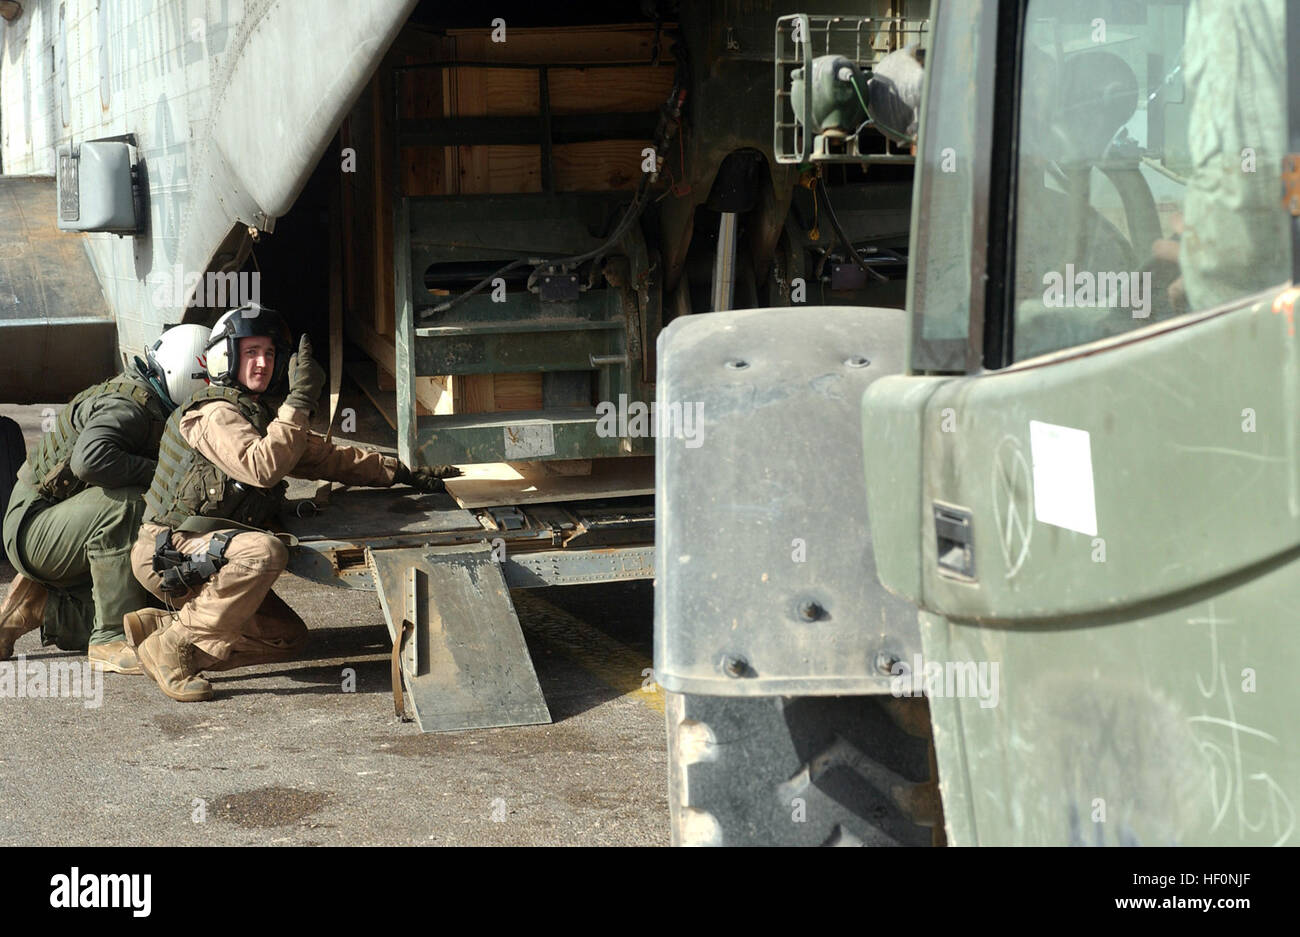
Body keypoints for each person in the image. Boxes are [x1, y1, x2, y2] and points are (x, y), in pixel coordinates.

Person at [124, 303, 457, 702]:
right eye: (250, 352)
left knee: (288, 639)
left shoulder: (258, 416)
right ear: (223, 357)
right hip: (172, 553)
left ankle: (163, 634)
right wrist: (299, 402)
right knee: (264, 553)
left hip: (209, 552)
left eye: (269, 353)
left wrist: (401, 471)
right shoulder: (212, 414)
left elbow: (325, 458)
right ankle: (173, 646)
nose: (262, 363)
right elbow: (262, 467)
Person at [0, 324, 212, 673]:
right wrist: (163, 475)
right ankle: (110, 639)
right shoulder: (129, 405)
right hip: (34, 527)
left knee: (148, 603)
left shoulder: (152, 401)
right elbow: (90, 460)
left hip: (59, 521)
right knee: (128, 506)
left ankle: (39, 607)